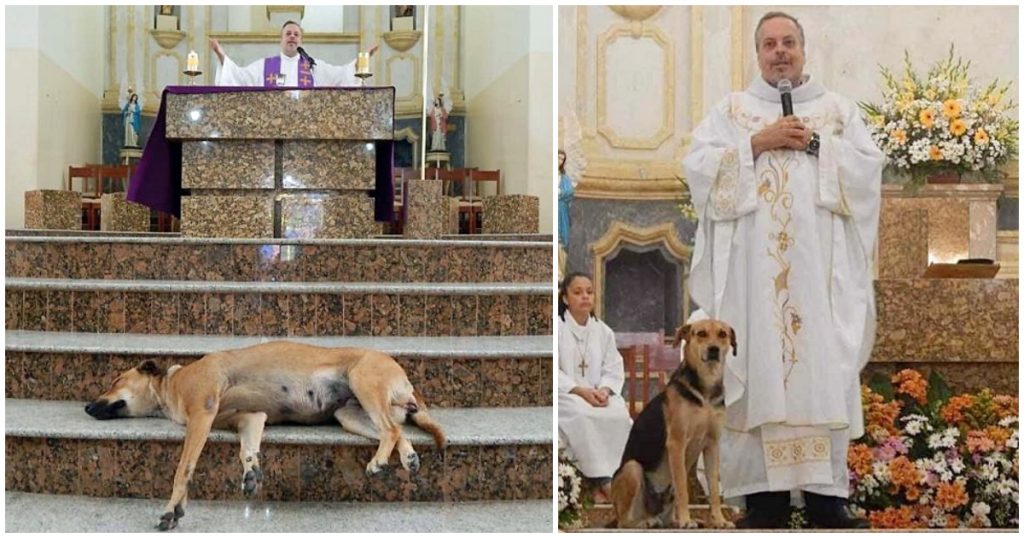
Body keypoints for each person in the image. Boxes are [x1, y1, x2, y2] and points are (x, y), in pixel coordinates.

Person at [681, 11, 884, 529]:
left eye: (788, 42)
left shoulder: (836, 112)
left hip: (819, 279)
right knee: (761, 372)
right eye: (769, 44)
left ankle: (825, 498)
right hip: (754, 281)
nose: (779, 52)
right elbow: (698, 166)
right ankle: (762, 498)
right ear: (757, 53)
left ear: (804, 49)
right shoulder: (732, 111)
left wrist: (814, 144)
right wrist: (756, 143)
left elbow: (866, 174)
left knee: (820, 369)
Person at [557, 272, 632, 503]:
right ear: (565, 298)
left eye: (589, 292)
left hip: (599, 394)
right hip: (568, 394)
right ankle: (601, 481)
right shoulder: (557, 328)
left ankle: (617, 478)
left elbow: (613, 368)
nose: (585, 297)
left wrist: (605, 390)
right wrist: (581, 391)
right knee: (580, 415)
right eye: (577, 292)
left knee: (620, 415)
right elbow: (553, 369)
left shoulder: (603, 331)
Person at [209, 20, 378, 87]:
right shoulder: (265, 65)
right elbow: (240, 77)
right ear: (281, 40)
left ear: (301, 41)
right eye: (288, 33)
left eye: (296, 34)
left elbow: (340, 74)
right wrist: (221, 54)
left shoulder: (312, 66)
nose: (292, 37)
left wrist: (362, 60)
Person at [558, 150, 574, 249]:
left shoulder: (564, 178)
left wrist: (560, 193)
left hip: (562, 209)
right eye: (558, 158)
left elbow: (570, 192)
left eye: (562, 159)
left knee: (563, 238)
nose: (560, 161)